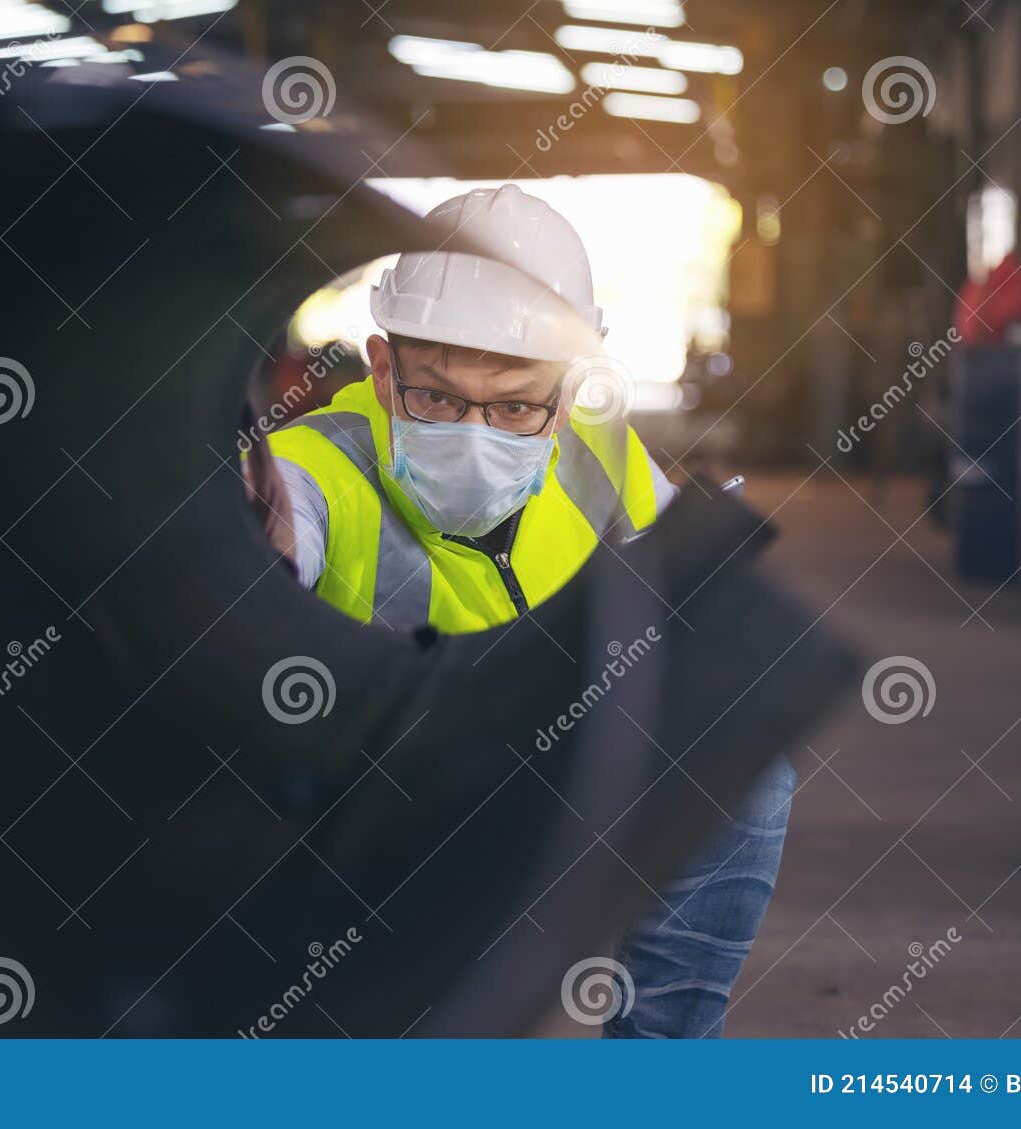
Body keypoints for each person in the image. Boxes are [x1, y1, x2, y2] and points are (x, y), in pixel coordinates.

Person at [252, 184, 793, 1036]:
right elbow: (283, 526)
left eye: (514, 405)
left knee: (744, 758)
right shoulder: (313, 468)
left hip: (530, 776)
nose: (475, 433)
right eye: (436, 397)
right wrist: (257, 554)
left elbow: (685, 607)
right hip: (376, 808)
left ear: (574, 385)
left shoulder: (600, 454)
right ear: (383, 367)